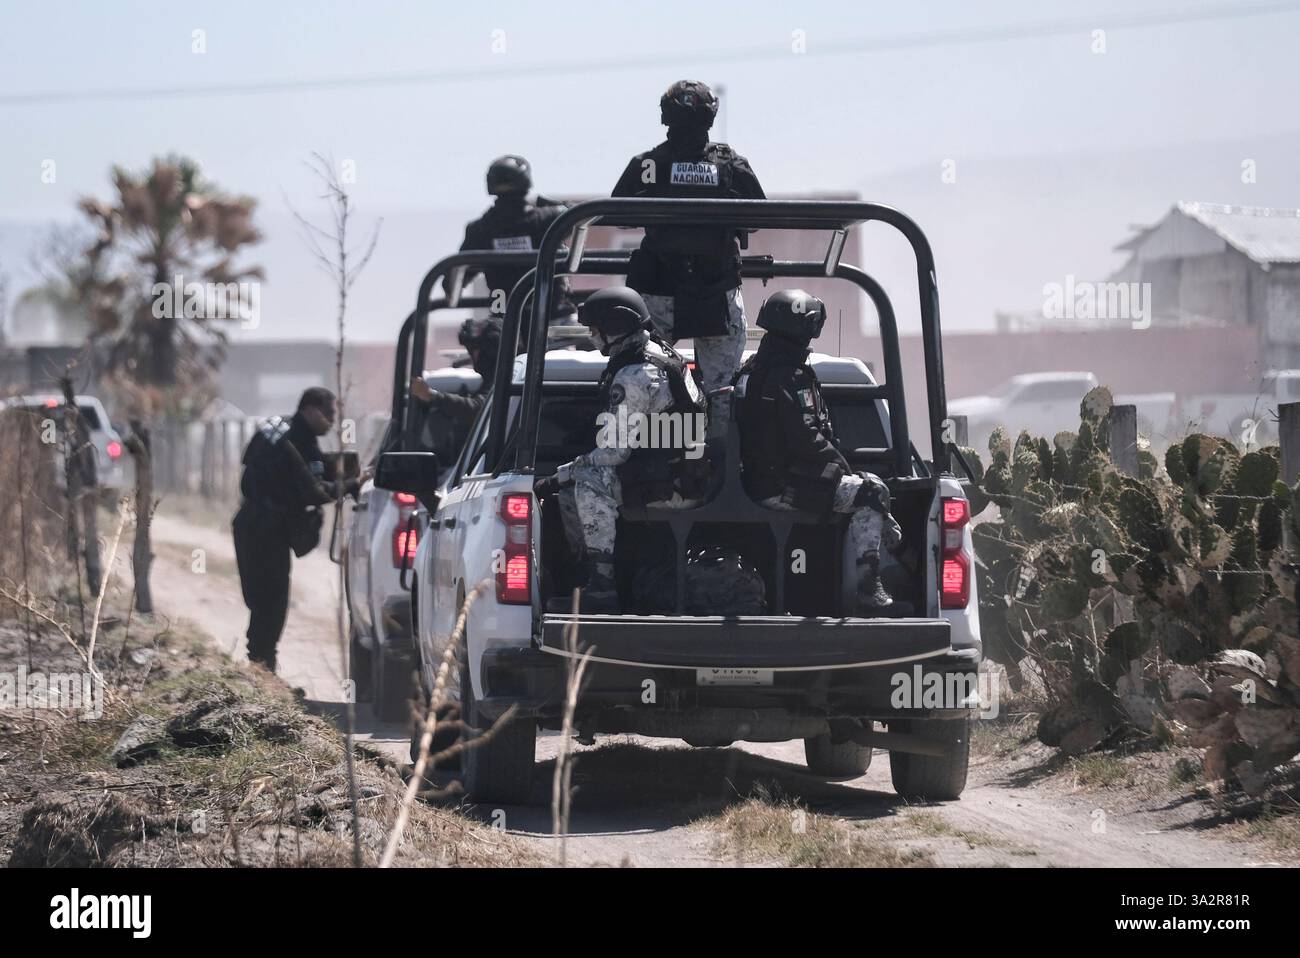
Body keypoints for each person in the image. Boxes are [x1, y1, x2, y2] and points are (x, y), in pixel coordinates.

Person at [534, 287, 706, 613]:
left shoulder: (635, 375)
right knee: (581, 482)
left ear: (615, 326)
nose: (591, 336)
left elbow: (613, 453)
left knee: (586, 482)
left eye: (595, 329)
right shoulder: (663, 355)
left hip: (669, 484)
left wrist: (559, 476)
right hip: (682, 475)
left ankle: (601, 587)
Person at [733, 290, 905, 614]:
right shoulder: (792, 377)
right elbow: (807, 440)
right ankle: (870, 587)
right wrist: (843, 467)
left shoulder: (748, 373)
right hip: (786, 488)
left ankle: (887, 540)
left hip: (752, 485)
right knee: (872, 491)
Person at [612, 79, 766, 433]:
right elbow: (760, 218)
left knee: (640, 380)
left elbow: (616, 212)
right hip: (713, 291)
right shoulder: (730, 165)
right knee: (721, 391)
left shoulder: (647, 165)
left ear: (665, 117)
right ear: (711, 117)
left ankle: (644, 458)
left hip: (663, 291)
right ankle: (721, 466)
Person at [233, 387, 364, 671]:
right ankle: (261, 663)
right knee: (272, 598)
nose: (332, 421)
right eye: (329, 413)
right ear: (311, 409)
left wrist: (342, 469)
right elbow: (314, 492)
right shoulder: (298, 439)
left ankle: (260, 661)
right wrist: (352, 485)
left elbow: (302, 472)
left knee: (262, 597)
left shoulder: (279, 429)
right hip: (267, 528)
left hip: (251, 522)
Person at [459, 154, 576, 323]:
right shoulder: (550, 218)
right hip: (553, 318)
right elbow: (578, 214)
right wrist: (547, 202)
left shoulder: (479, 229)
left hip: (505, 323)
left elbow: (454, 279)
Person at [409, 315, 501, 430]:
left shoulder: (505, 378)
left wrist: (431, 396)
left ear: (487, 351)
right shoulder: (497, 377)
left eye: (474, 350)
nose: (472, 357)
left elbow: (479, 410)